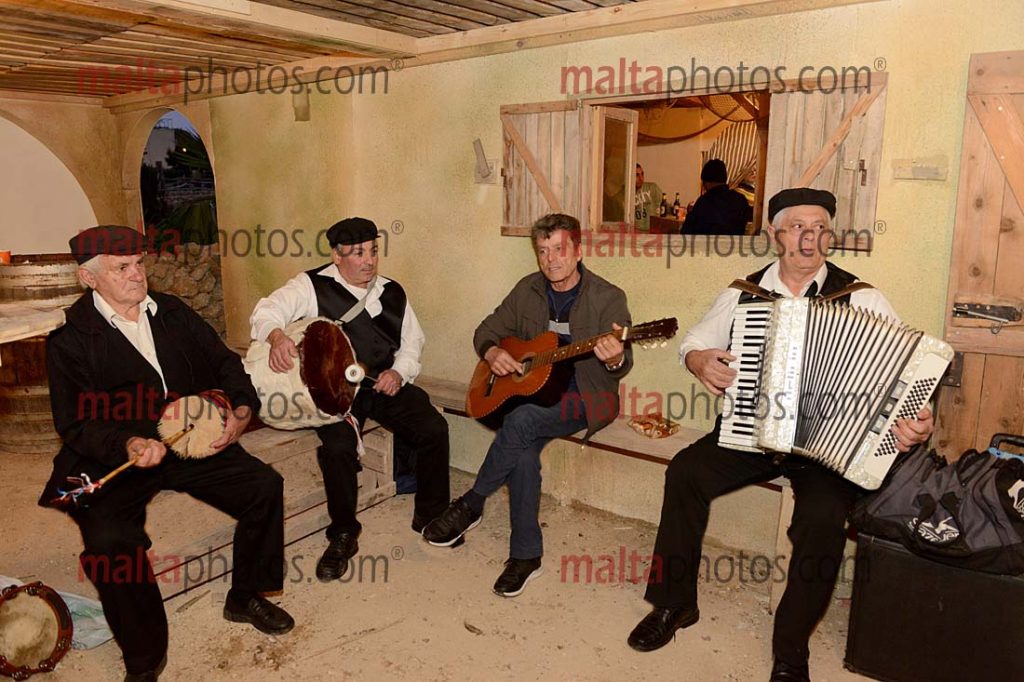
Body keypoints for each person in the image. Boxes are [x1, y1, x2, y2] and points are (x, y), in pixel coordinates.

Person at [627, 189, 934, 681]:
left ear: (829, 236)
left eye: (820, 228)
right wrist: (697, 360)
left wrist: (919, 420)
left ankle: (790, 649)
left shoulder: (861, 297)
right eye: (796, 226)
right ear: (774, 234)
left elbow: (908, 374)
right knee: (685, 472)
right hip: (754, 432)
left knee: (823, 517)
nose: (808, 237)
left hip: (828, 448)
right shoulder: (744, 292)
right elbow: (694, 341)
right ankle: (673, 604)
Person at [41, 225, 292, 682]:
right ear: (89, 278)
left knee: (263, 486)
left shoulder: (171, 311)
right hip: (113, 453)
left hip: (185, 435)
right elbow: (74, 422)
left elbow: (223, 361)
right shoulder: (69, 338)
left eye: (139, 263)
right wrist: (127, 444)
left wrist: (240, 409)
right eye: (123, 267)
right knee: (111, 546)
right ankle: (144, 659)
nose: (138, 274)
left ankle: (246, 595)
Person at [422, 213, 633, 596]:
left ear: (578, 250)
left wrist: (614, 357)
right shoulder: (528, 289)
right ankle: (526, 556)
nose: (551, 260)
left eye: (559, 249)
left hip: (585, 397)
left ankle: (472, 502)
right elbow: (486, 330)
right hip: (537, 393)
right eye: (543, 251)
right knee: (520, 448)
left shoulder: (608, 297)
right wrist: (493, 353)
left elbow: (622, 365)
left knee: (519, 421)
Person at [250, 217, 450, 582]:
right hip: (335, 393)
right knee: (338, 448)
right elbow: (266, 311)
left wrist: (398, 373)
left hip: (381, 383)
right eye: (358, 253)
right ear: (337, 256)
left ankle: (431, 514)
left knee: (433, 426)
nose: (369, 260)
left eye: (373, 250)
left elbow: (412, 343)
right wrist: (277, 337)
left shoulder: (392, 291)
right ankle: (343, 533)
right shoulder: (311, 285)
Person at [681, 159, 753, 235]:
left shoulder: (704, 202)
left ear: (706, 182)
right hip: (734, 246)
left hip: (708, 246)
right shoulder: (740, 200)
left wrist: (690, 213)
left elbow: (686, 233)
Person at [634, 163, 664, 232]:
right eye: (637, 175)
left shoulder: (652, 188)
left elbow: (664, 206)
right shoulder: (625, 194)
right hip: (635, 233)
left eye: (642, 174)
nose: (641, 178)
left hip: (652, 231)